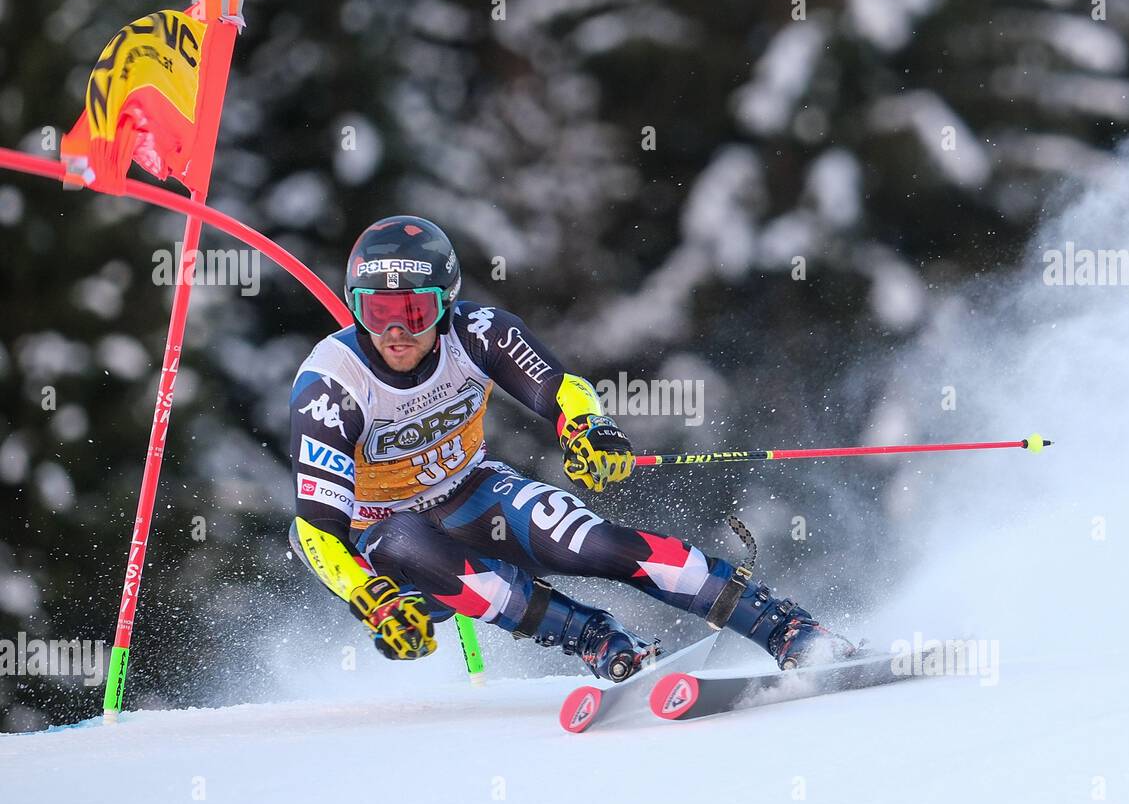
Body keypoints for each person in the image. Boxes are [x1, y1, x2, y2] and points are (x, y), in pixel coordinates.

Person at [288, 215, 856, 681]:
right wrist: (370, 597)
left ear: (448, 302)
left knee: (595, 544)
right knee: (424, 552)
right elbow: (315, 528)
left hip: (471, 489)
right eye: (377, 311)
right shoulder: (331, 386)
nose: (397, 332)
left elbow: (561, 389)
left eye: (415, 311)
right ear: (355, 306)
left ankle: (784, 627)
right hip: (382, 540)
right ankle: (592, 635)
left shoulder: (479, 332)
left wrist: (588, 429)